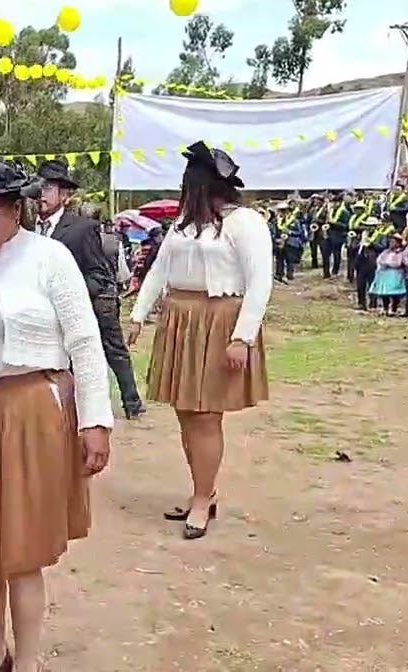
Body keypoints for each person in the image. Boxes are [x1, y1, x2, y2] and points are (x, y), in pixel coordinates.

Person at [0, 157, 113, 672]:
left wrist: (95, 419)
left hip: (34, 408)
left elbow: (85, 340)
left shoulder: (49, 258)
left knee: (22, 548)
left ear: (17, 208)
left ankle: (31, 658)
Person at [126, 140, 272, 540]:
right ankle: (201, 493)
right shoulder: (183, 224)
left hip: (219, 320)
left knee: (206, 415)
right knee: (185, 411)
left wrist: (242, 337)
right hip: (180, 319)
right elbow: (159, 270)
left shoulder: (245, 223)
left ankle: (203, 498)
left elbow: (260, 284)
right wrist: (139, 314)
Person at [30, 159, 144, 419]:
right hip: (45, 313)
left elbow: (99, 273)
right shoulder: (29, 230)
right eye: (39, 188)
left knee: (112, 351)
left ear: (65, 195)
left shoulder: (83, 229)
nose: (41, 195)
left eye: (48, 188)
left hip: (90, 305)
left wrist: (73, 291)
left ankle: (132, 402)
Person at [369, 234, 407, 316]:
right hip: (385, 274)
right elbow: (379, 259)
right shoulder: (386, 252)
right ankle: (385, 308)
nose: (391, 244)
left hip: (396, 274)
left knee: (395, 294)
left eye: (393, 242)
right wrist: (383, 264)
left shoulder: (401, 253)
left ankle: (394, 308)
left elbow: (398, 263)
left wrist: (388, 264)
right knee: (385, 293)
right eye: (390, 242)